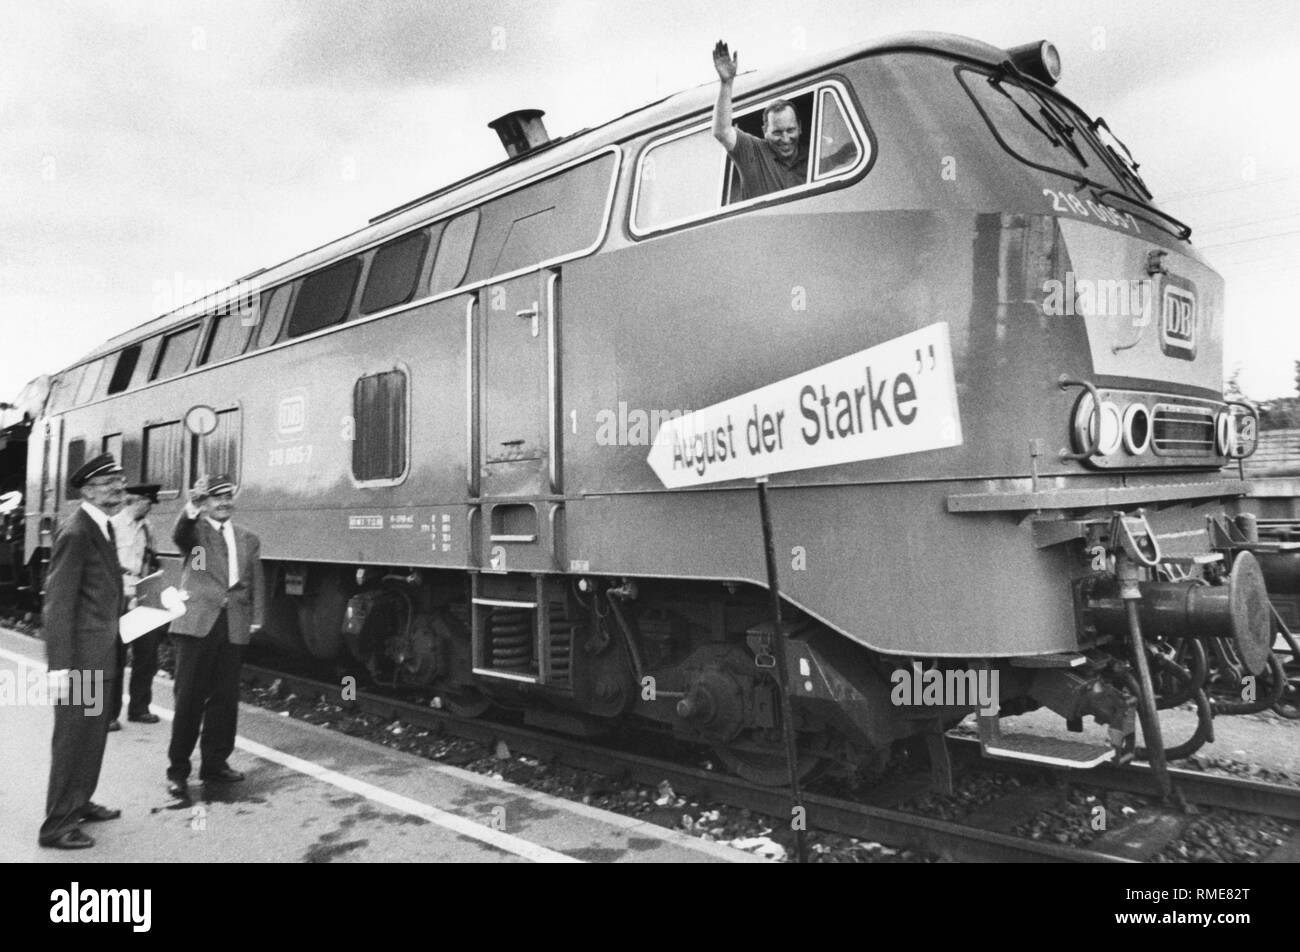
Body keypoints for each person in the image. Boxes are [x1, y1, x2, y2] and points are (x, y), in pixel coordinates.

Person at [38, 452, 126, 849]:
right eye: (109, 483)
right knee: (74, 741)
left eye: (119, 481)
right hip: (81, 667)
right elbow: (57, 604)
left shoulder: (101, 528)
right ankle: (57, 825)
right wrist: (59, 669)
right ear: (88, 490)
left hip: (99, 659)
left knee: (91, 738)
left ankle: (81, 801)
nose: (118, 488)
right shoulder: (76, 532)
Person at [166, 473, 264, 800]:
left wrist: (256, 618)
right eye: (215, 497)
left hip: (232, 623)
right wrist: (191, 506)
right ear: (206, 502)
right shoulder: (197, 535)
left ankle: (215, 763)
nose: (223, 502)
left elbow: (254, 580)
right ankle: (178, 771)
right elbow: (180, 533)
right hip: (197, 623)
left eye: (227, 496)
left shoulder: (248, 539)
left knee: (225, 699)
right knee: (189, 699)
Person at [711, 39, 808, 201]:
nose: (785, 139)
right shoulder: (754, 152)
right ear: (765, 132)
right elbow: (722, 132)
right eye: (777, 132)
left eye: (790, 130)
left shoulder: (815, 154)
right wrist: (726, 83)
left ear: (800, 127)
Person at [107, 482, 163, 730]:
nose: (150, 507)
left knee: (147, 656)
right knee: (114, 657)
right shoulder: (112, 525)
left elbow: (153, 558)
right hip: (117, 594)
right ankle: (108, 714)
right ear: (137, 501)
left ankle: (139, 708)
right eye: (148, 502)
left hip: (143, 594)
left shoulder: (148, 528)